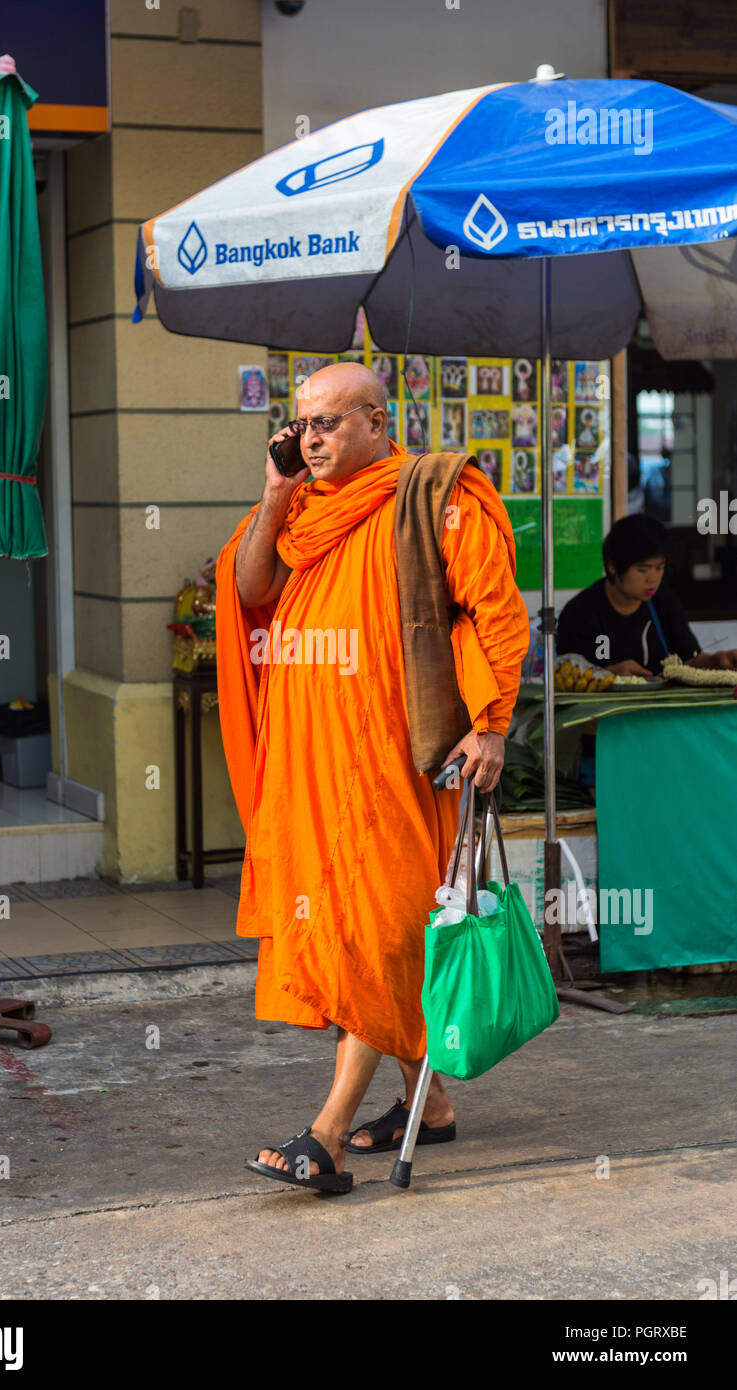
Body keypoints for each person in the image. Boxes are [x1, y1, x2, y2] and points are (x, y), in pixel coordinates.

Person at [215, 361, 529, 1193]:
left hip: (397, 755)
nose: (309, 438)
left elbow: (495, 611)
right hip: (312, 764)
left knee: (379, 929)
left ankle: (323, 1134)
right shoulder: (304, 507)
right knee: (352, 928)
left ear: (375, 421)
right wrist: (274, 490)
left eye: (326, 423)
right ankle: (427, 1109)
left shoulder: (433, 495)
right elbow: (251, 590)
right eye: (300, 425)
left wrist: (491, 725)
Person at [557, 513, 737, 676]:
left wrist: (718, 661)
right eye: (642, 570)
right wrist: (607, 674)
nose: (653, 579)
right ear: (612, 566)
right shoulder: (581, 613)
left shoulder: (663, 601)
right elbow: (567, 676)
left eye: (659, 568)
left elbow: (689, 660)